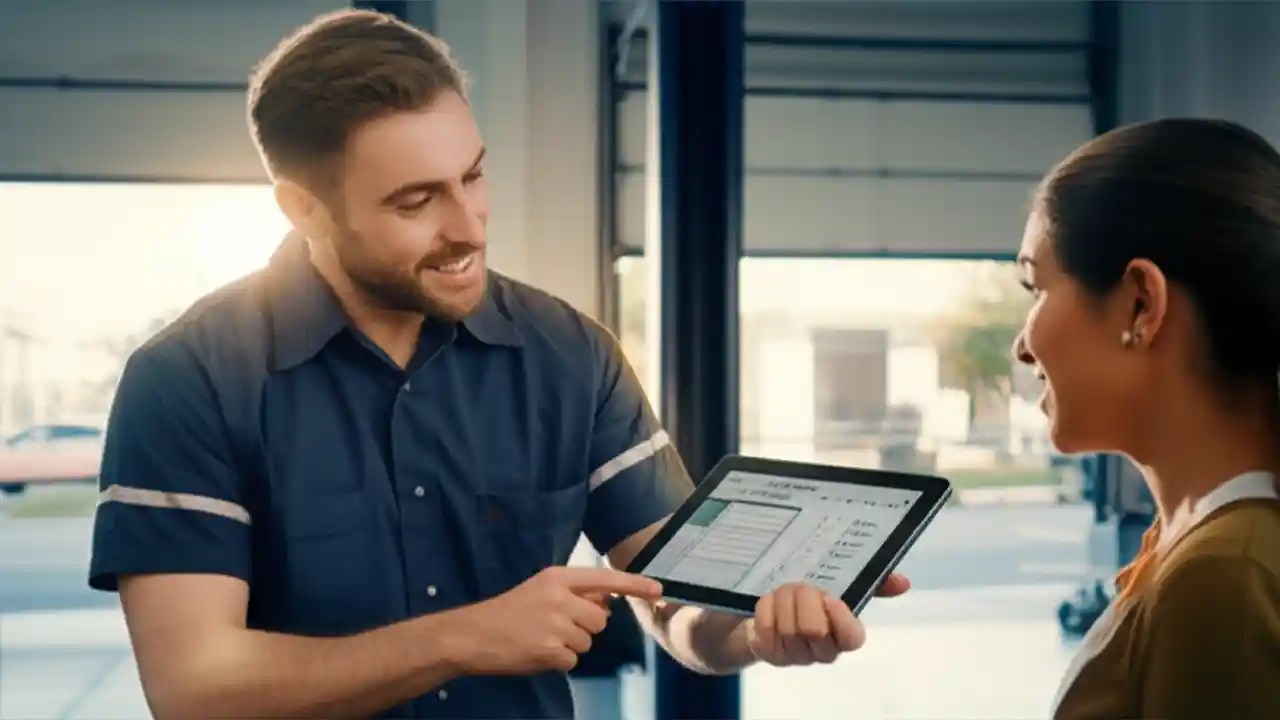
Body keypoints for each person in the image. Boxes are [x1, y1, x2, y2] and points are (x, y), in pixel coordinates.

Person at [87, 9, 908, 719]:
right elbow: (195, 689)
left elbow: (677, 606)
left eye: (473, 176)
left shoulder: (570, 354)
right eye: (416, 201)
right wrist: (462, 638)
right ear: (304, 208)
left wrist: (753, 629)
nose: (469, 224)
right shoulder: (187, 380)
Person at [1011, 117, 1280, 719]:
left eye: (1036, 288)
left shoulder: (1224, 577)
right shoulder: (1193, 546)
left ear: (1140, 303)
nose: (1022, 347)